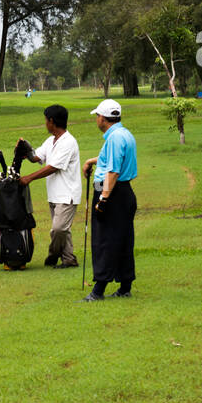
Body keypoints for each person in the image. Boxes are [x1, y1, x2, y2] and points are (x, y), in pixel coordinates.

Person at [81, 99, 137, 301]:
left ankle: (98, 291)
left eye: (97, 116)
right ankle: (125, 286)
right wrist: (91, 160)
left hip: (112, 193)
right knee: (123, 239)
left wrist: (103, 198)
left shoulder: (113, 139)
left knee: (105, 241)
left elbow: (113, 171)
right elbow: (112, 159)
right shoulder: (124, 134)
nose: (96, 119)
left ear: (103, 118)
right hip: (124, 193)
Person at [20, 104, 81, 268]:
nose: (45, 123)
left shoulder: (68, 142)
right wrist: (25, 150)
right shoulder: (50, 141)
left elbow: (52, 167)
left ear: (52, 121)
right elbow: (36, 157)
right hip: (54, 193)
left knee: (58, 229)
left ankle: (53, 255)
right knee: (64, 230)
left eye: (46, 120)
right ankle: (69, 259)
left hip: (67, 194)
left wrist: (28, 178)